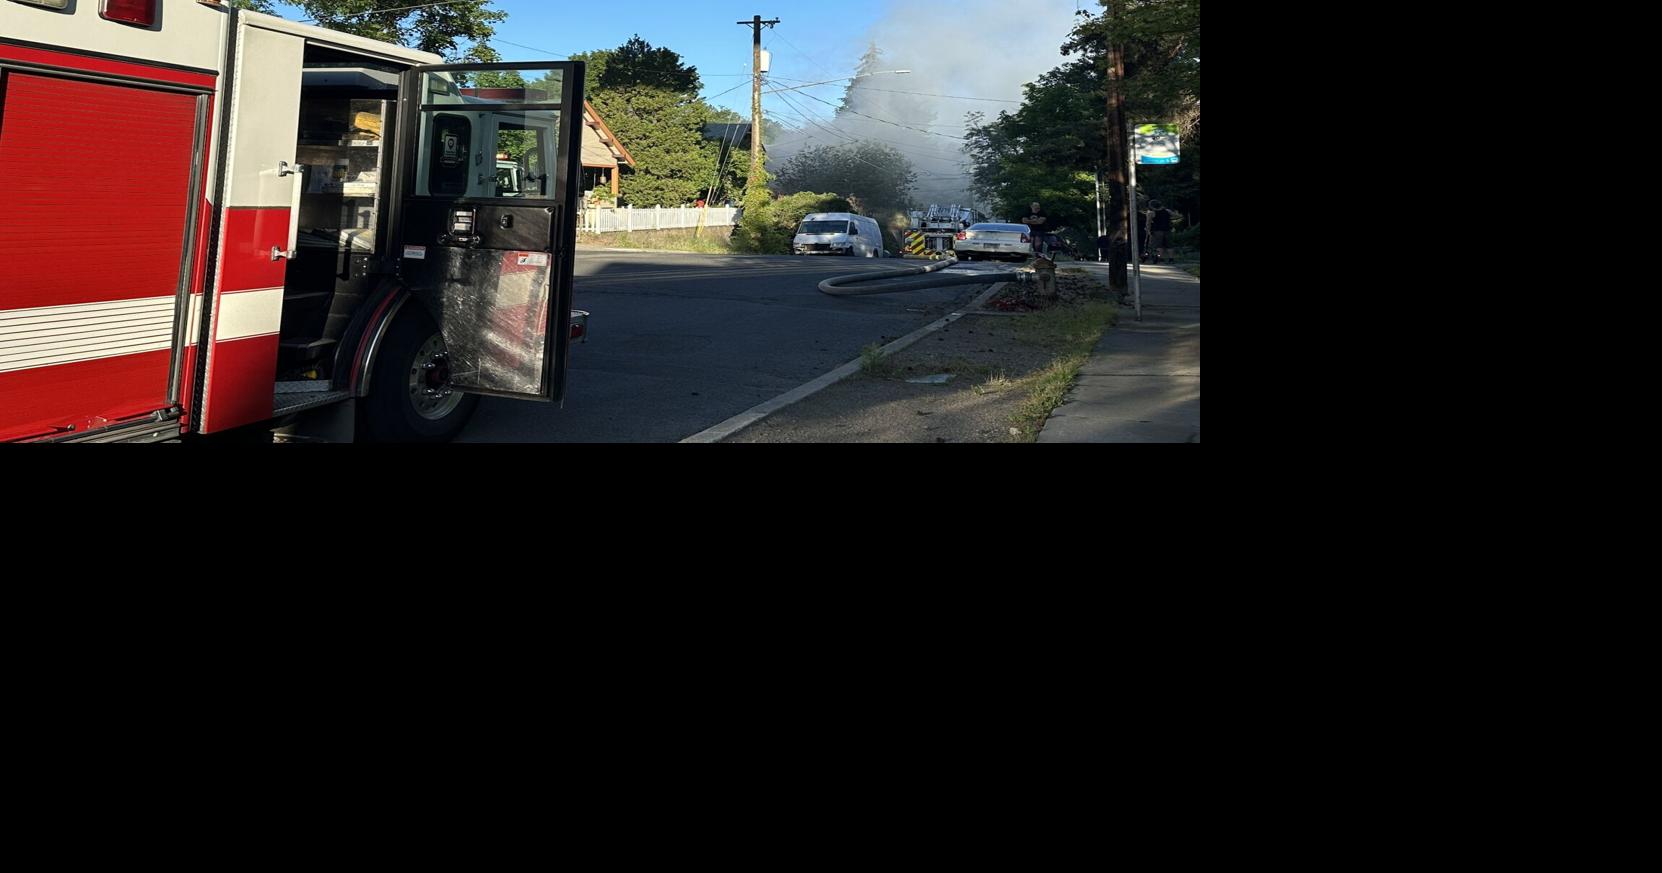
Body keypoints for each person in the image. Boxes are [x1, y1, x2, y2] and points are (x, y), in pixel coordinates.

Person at [1149, 200, 1176, 264]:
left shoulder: (1152, 213)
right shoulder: (1167, 211)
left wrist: (1148, 230)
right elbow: (1175, 215)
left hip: (1157, 230)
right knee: (1169, 245)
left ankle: (1160, 258)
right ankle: (1171, 259)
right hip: (1167, 229)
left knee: (1158, 245)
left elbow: (1148, 222)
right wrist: (1170, 220)